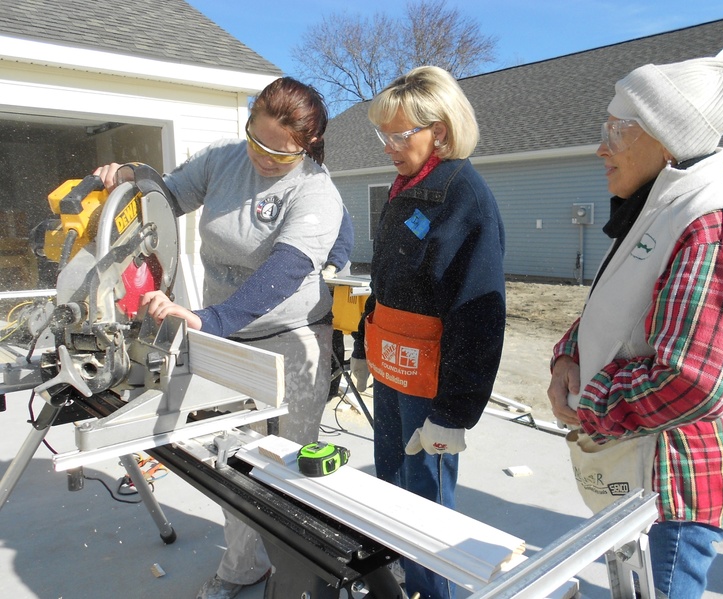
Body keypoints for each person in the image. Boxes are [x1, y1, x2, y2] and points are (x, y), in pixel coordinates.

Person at [94, 77, 350, 599]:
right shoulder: (223, 160)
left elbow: (285, 271)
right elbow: (161, 201)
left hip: (291, 336)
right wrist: (130, 179)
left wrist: (210, 320)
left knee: (289, 463)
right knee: (235, 457)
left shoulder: (316, 190)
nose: (263, 156)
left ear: (307, 146)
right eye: (256, 139)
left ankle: (297, 575)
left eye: (280, 153)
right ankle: (241, 568)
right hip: (226, 332)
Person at [547, 57, 723, 598]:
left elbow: (695, 378)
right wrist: (568, 358)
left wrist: (592, 402)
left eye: (616, 131)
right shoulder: (659, 210)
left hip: (672, 488)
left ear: (668, 141)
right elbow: (620, 310)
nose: (601, 147)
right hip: (640, 473)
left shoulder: (714, 224)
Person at [349, 65, 506, 599]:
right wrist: (361, 346)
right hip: (392, 366)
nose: (388, 146)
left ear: (438, 131)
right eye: (383, 134)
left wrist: (455, 412)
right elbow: (386, 278)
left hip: (431, 382)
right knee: (391, 476)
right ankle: (397, 579)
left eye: (399, 134)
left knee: (426, 498)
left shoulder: (465, 199)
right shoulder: (404, 187)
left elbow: (479, 316)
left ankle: (432, 590)